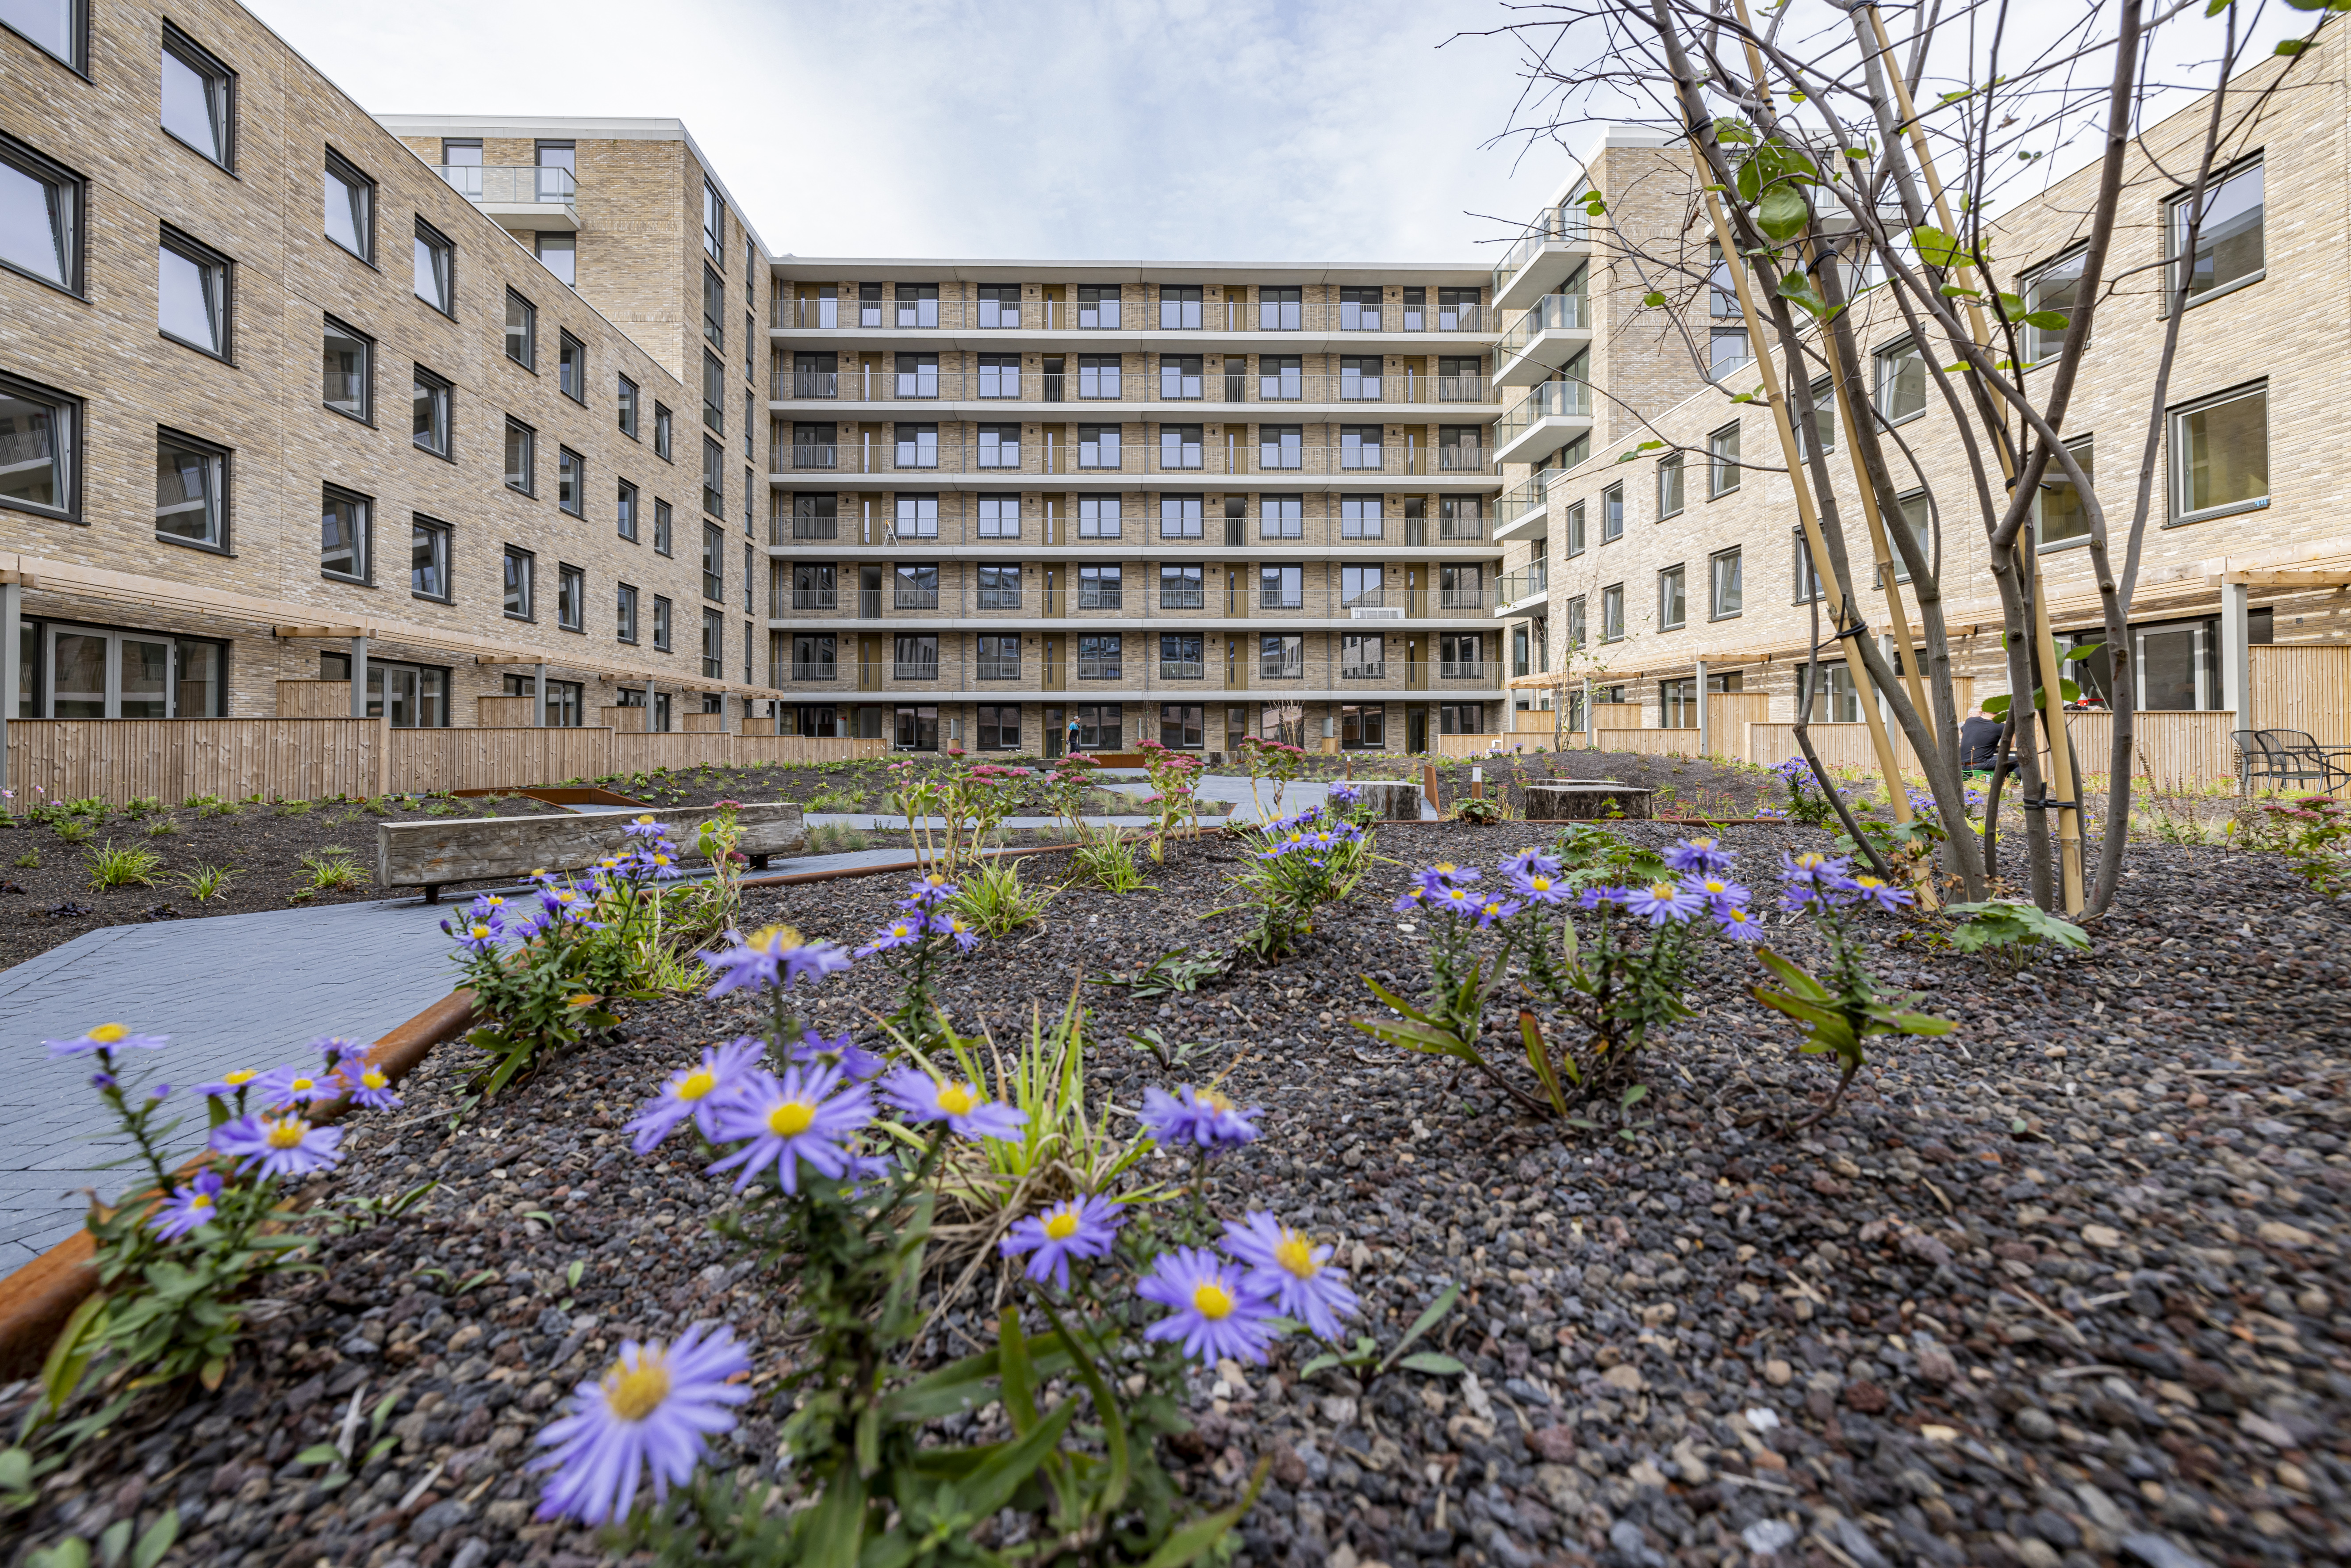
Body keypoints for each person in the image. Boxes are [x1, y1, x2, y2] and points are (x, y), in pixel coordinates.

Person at [1959, 702, 2006, 774]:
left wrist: (1965, 741)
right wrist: (2011, 727)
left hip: (1962, 764)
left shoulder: (1969, 721)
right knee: (2018, 761)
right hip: (1979, 764)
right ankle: (2011, 784)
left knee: (1999, 759)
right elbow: (2011, 745)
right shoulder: (2000, 726)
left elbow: (1960, 731)